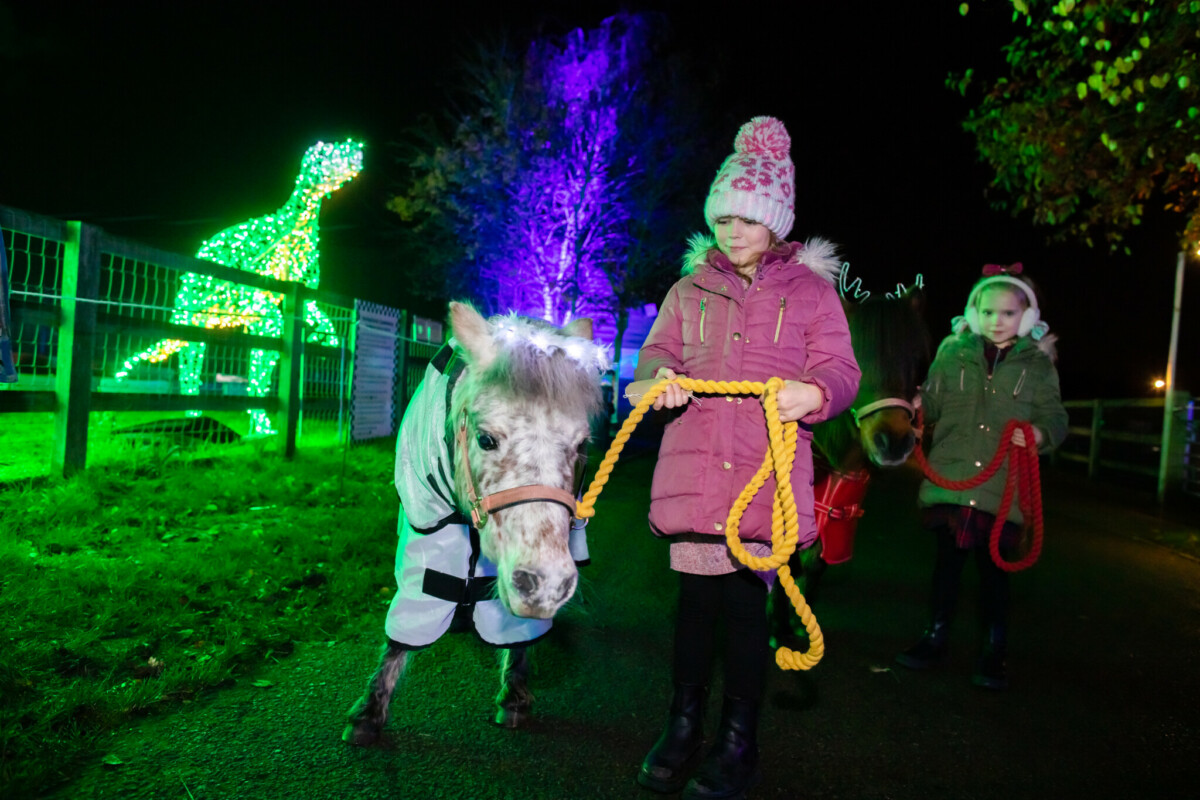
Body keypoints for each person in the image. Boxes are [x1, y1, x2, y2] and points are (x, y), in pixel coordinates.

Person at [634, 116, 860, 799]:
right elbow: (656, 354)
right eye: (723, 218)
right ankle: (682, 725)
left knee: (743, 616)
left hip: (766, 483)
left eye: (748, 219)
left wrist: (814, 392)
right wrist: (653, 382)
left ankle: (740, 741)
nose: (733, 231)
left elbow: (842, 371)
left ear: (777, 220)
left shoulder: (813, 294)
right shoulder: (687, 291)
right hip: (695, 474)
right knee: (693, 608)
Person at [896, 263, 1068, 690]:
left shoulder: (1039, 366)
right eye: (987, 312)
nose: (996, 321)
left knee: (995, 576)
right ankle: (934, 637)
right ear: (974, 312)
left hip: (1002, 488)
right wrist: (916, 406)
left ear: (1026, 318)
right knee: (946, 569)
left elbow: (1056, 417)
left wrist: (1041, 433)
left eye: (1008, 314)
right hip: (952, 479)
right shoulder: (952, 352)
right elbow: (933, 402)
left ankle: (995, 649)